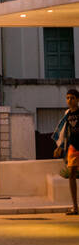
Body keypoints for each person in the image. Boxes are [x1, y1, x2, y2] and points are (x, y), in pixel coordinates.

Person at [53, 87, 79, 215]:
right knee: (71, 176)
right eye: (68, 98)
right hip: (73, 147)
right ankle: (75, 207)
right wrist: (59, 147)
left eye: (72, 98)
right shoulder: (67, 114)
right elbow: (63, 131)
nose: (69, 100)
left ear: (77, 100)